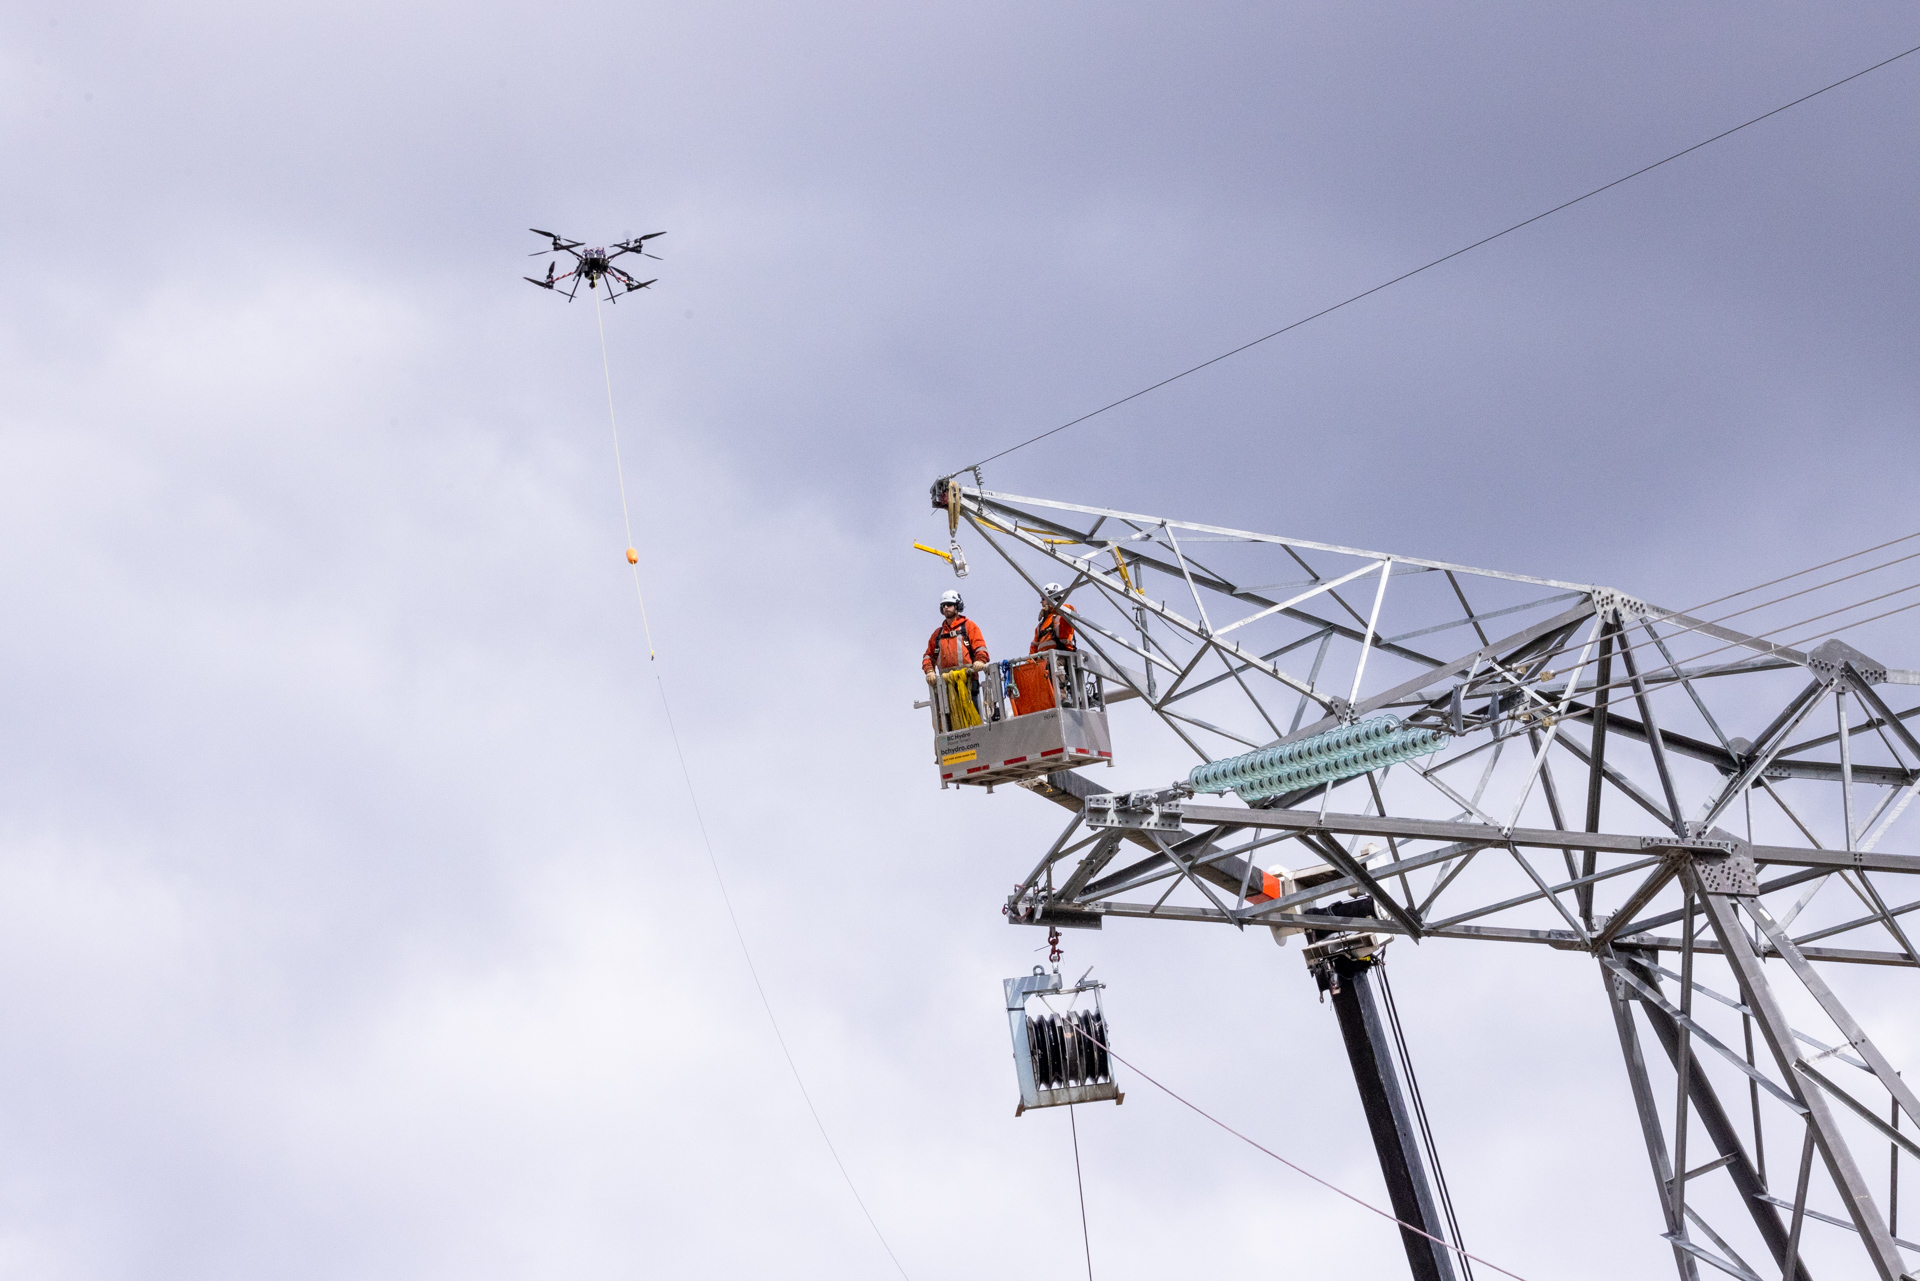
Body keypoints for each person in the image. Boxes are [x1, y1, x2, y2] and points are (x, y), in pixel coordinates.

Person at [924, 589, 989, 683]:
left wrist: (980, 661)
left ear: (957, 606)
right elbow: (928, 656)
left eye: (949, 604)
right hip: (946, 682)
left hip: (968, 679)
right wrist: (930, 671)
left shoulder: (968, 626)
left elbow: (980, 647)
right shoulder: (938, 633)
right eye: (943, 605)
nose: (946, 607)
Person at [1029, 583, 1077, 654]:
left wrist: (1051, 608)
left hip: (1061, 657)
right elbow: (1033, 649)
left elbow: (1071, 610)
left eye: (1043, 598)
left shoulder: (1062, 617)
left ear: (1053, 598)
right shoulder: (1040, 626)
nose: (1041, 601)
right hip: (1043, 661)